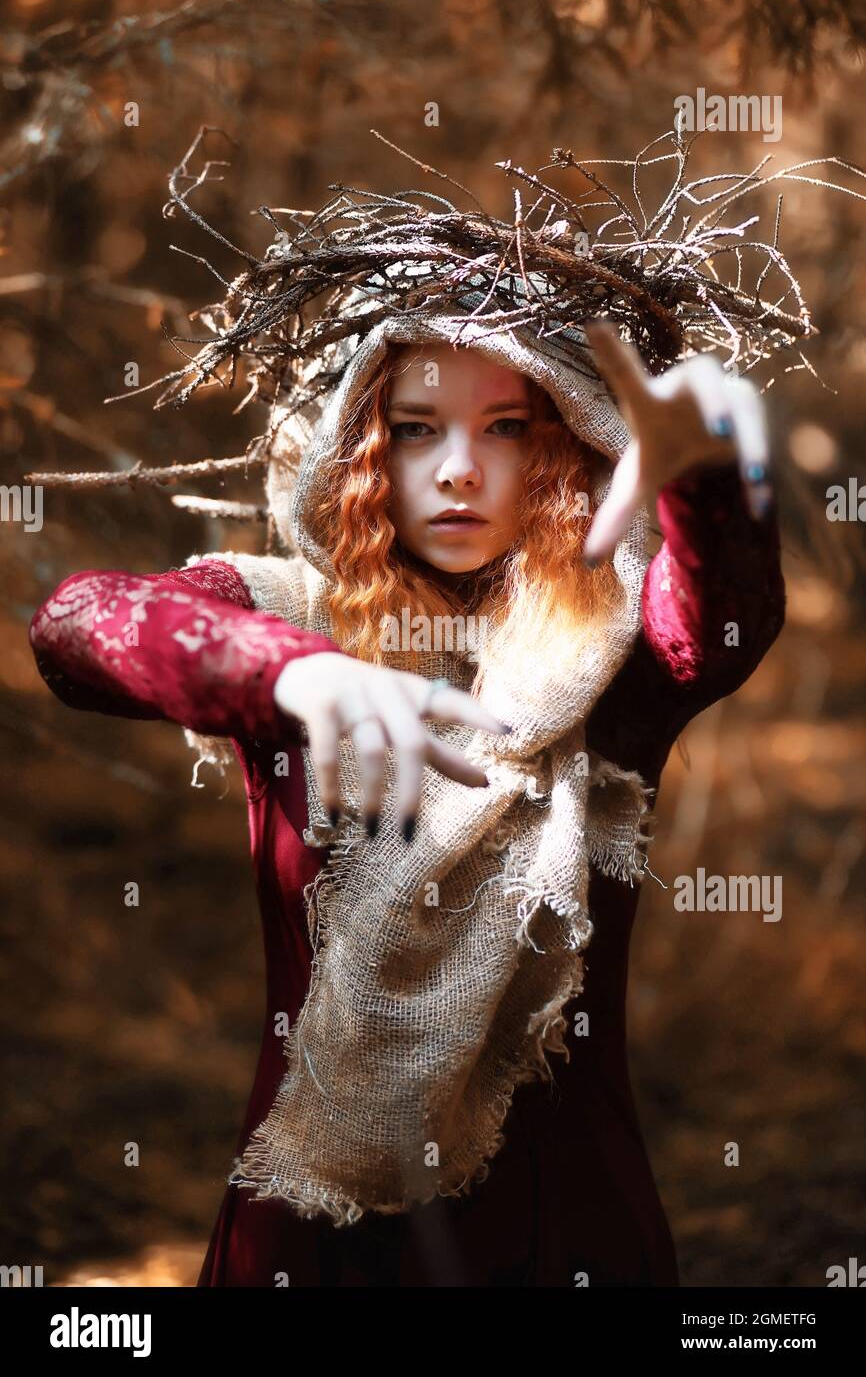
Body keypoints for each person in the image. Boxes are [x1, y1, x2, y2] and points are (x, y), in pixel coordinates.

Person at [29, 293, 785, 1286]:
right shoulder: (286, 615)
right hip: (306, 1237)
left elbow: (723, 615)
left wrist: (705, 473)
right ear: (361, 454)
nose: (459, 467)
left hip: (561, 1235)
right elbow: (75, 624)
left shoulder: (612, 656)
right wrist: (288, 673)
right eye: (416, 429)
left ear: (564, 448)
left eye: (505, 429)